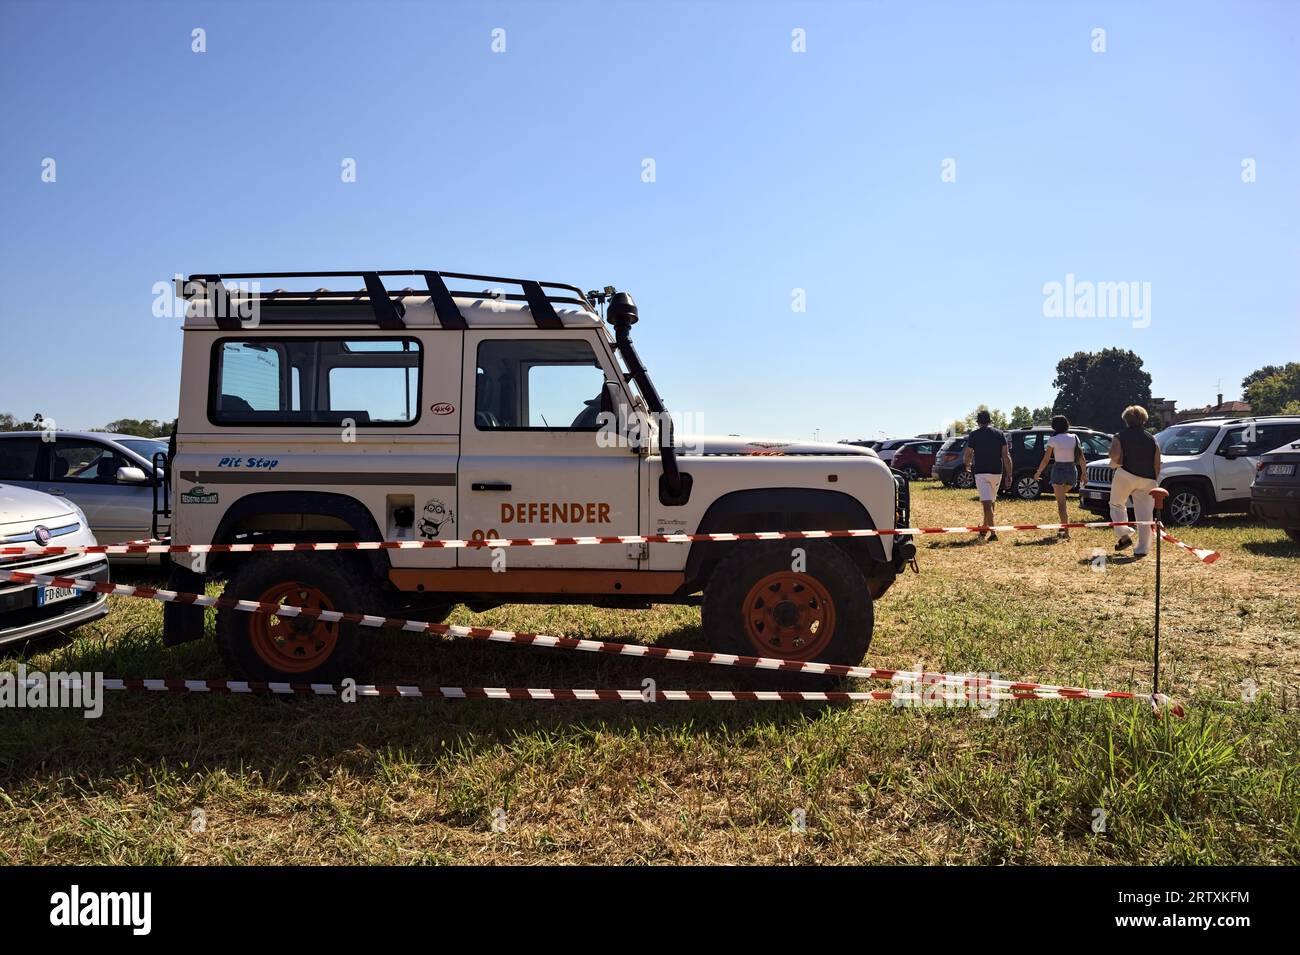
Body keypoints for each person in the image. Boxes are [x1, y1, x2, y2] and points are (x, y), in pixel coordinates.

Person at [1108, 405, 1162, 557]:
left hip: (1126, 474)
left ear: (1126, 420)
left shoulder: (1120, 435)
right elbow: (1157, 463)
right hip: (1148, 479)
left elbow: (1115, 455)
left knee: (1116, 503)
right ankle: (1142, 549)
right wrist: (1153, 480)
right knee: (1145, 516)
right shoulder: (1152, 439)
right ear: (1144, 420)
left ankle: (1124, 534)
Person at [1032, 415, 1088, 539]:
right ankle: (1063, 527)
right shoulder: (1074, 437)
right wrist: (1084, 473)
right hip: (1071, 471)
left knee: (1061, 504)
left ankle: (1066, 531)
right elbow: (1081, 457)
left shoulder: (1053, 439)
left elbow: (1046, 460)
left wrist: (1038, 473)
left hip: (1058, 470)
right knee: (1063, 498)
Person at [962, 409, 1013, 541]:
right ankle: (984, 528)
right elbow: (1006, 455)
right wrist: (1009, 474)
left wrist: (967, 465)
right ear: (990, 420)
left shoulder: (974, 435)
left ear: (978, 422)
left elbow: (968, 453)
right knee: (991, 502)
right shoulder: (999, 434)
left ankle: (993, 532)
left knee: (986, 504)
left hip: (981, 472)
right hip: (997, 471)